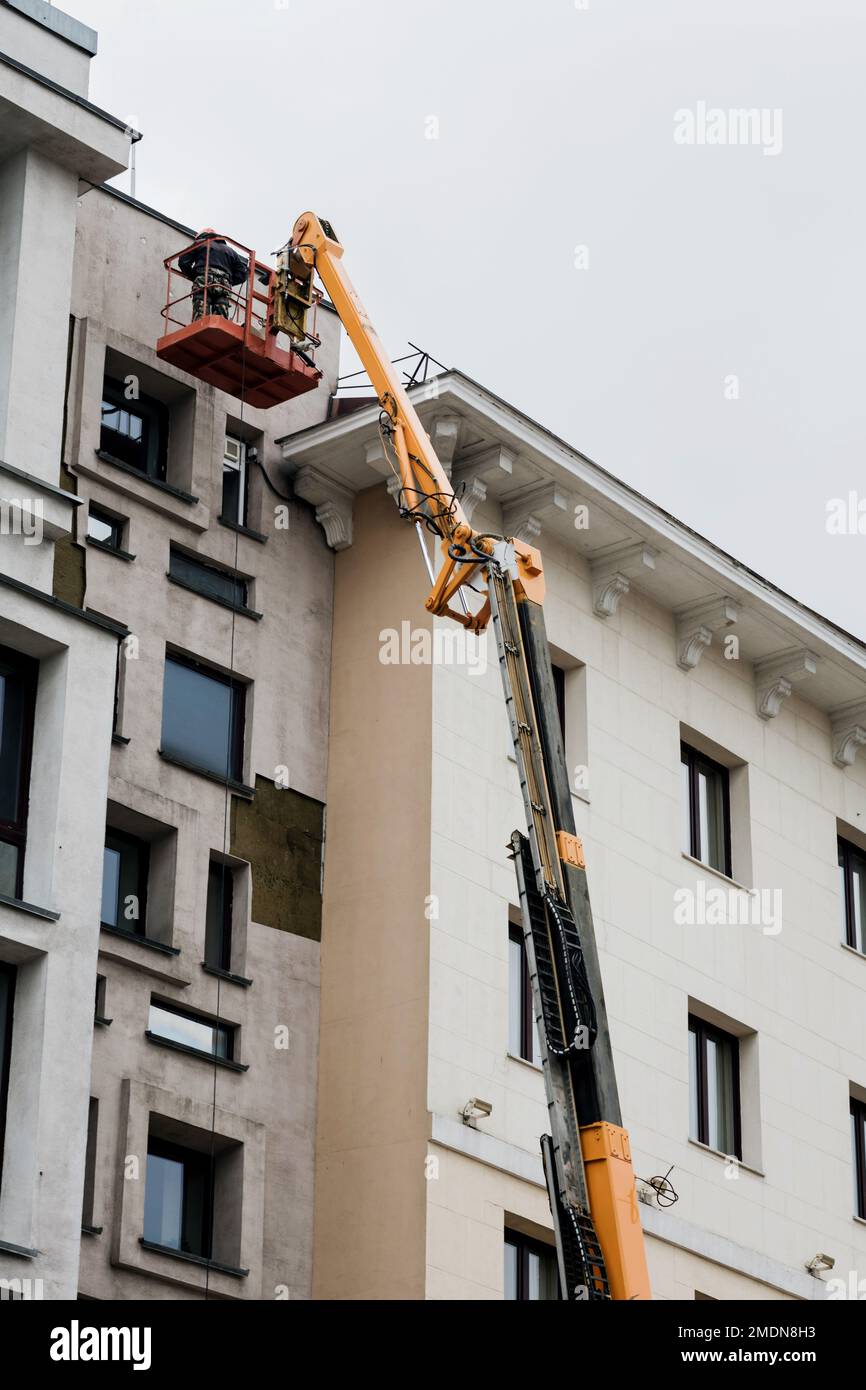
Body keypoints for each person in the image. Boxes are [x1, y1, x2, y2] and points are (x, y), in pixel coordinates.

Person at [178, 229, 249, 321]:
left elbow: (183, 262)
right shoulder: (231, 251)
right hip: (224, 286)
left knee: (201, 317)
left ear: (202, 236)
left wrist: (194, 276)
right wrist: (229, 281)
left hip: (204, 280)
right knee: (220, 319)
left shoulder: (201, 243)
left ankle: (200, 325)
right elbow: (243, 273)